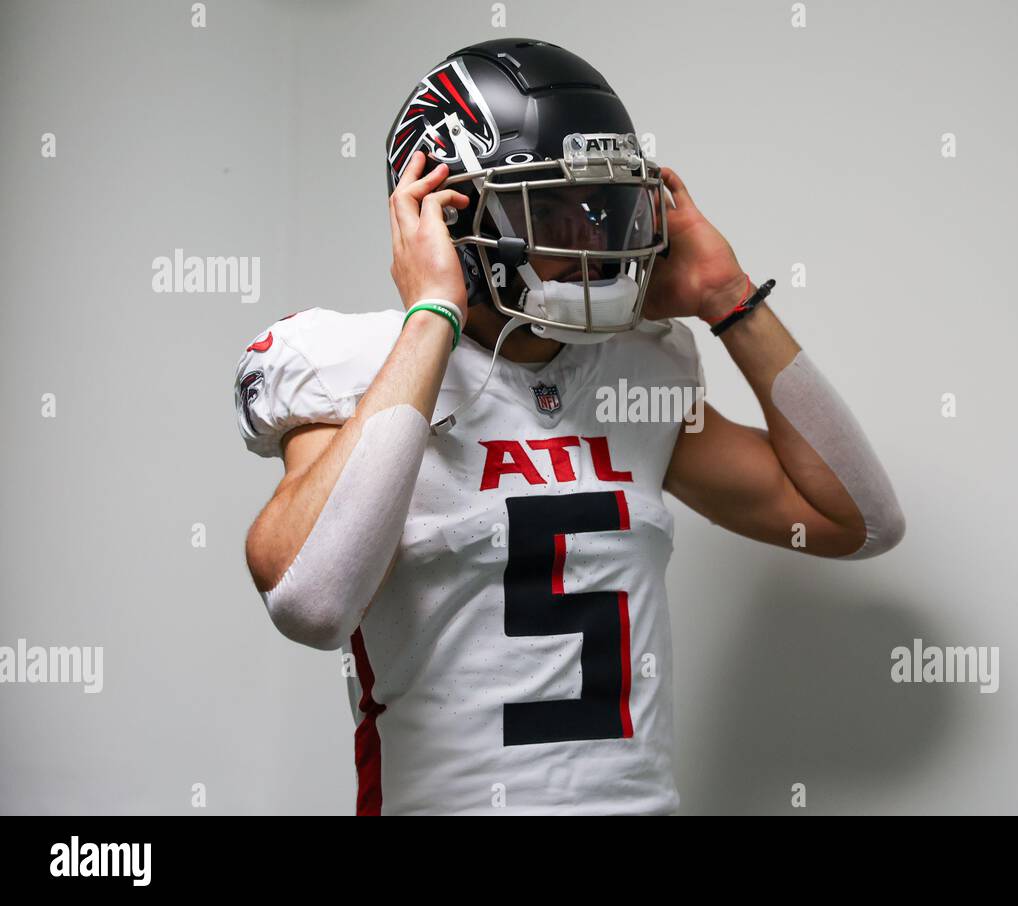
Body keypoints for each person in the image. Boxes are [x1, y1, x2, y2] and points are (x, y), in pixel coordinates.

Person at [234, 38, 905, 815]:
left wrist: (731, 300)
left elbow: (858, 521)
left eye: (599, 208)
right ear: (445, 213)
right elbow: (312, 604)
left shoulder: (634, 379)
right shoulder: (354, 366)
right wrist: (431, 318)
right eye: (546, 209)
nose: (588, 241)